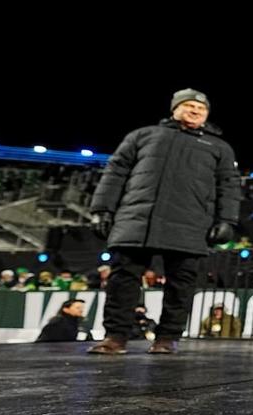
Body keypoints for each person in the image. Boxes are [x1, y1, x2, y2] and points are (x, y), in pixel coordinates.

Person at [87, 88, 239, 355]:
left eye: (201, 108)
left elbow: (228, 185)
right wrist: (102, 209)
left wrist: (227, 219)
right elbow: (115, 172)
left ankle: (167, 338)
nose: (195, 111)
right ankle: (115, 337)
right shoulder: (142, 135)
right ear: (174, 108)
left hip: (190, 222)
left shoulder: (219, 147)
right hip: (137, 220)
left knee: (181, 283)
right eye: (189, 105)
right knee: (123, 280)